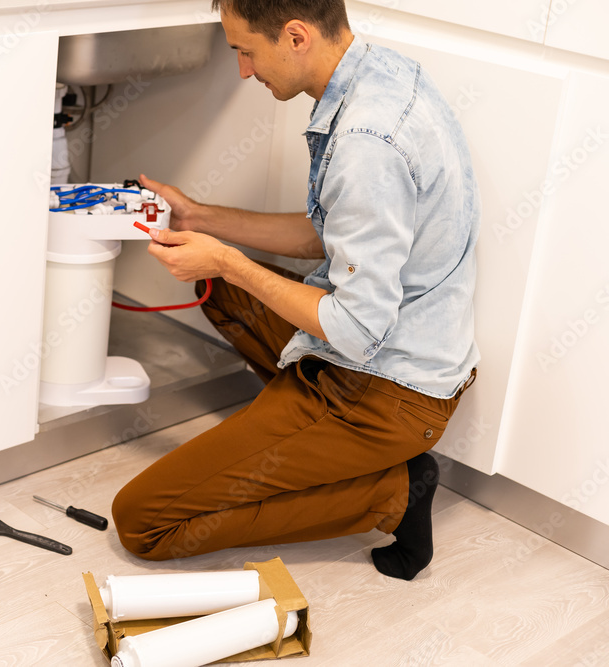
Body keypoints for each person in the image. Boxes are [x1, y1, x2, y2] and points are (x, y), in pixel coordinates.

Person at [111, 0, 481, 581]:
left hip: (382, 389)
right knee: (219, 284)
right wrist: (201, 218)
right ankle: (304, 441)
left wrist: (233, 263)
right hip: (386, 350)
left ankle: (394, 491)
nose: (243, 70)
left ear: (295, 36)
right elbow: (330, 234)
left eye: (244, 51)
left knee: (142, 521)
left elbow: (357, 332)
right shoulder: (380, 75)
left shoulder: (367, 143)